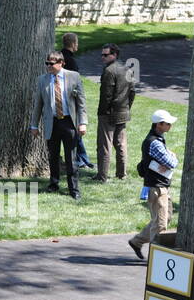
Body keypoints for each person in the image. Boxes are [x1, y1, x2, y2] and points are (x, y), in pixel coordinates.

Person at [30, 52, 88, 200]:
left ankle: (73, 189)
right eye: (47, 63)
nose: (49, 66)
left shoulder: (73, 77)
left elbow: (81, 103)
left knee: (71, 157)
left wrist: (82, 123)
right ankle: (53, 184)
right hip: (52, 122)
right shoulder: (42, 80)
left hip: (69, 122)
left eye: (52, 63)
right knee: (53, 156)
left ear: (61, 63)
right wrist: (34, 125)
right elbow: (38, 105)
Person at [128, 109, 178, 259]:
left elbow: (168, 162)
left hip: (160, 186)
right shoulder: (155, 143)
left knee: (165, 218)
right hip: (157, 188)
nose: (170, 126)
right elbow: (172, 162)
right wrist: (172, 156)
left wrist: (169, 157)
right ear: (159, 125)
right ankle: (156, 260)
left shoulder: (158, 140)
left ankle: (137, 241)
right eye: (167, 123)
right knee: (160, 225)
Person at [94, 44, 134, 182]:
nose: (102, 57)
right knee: (121, 144)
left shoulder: (109, 71)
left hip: (109, 114)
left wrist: (102, 112)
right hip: (123, 112)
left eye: (105, 55)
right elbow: (132, 91)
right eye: (102, 55)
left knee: (104, 145)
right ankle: (121, 174)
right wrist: (127, 107)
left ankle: (102, 176)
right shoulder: (127, 69)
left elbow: (106, 95)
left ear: (115, 54)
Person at [62, 33, 95, 172]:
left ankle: (83, 158)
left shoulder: (60, 56)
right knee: (75, 132)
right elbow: (76, 83)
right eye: (77, 43)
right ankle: (82, 159)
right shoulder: (71, 61)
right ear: (73, 44)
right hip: (70, 100)